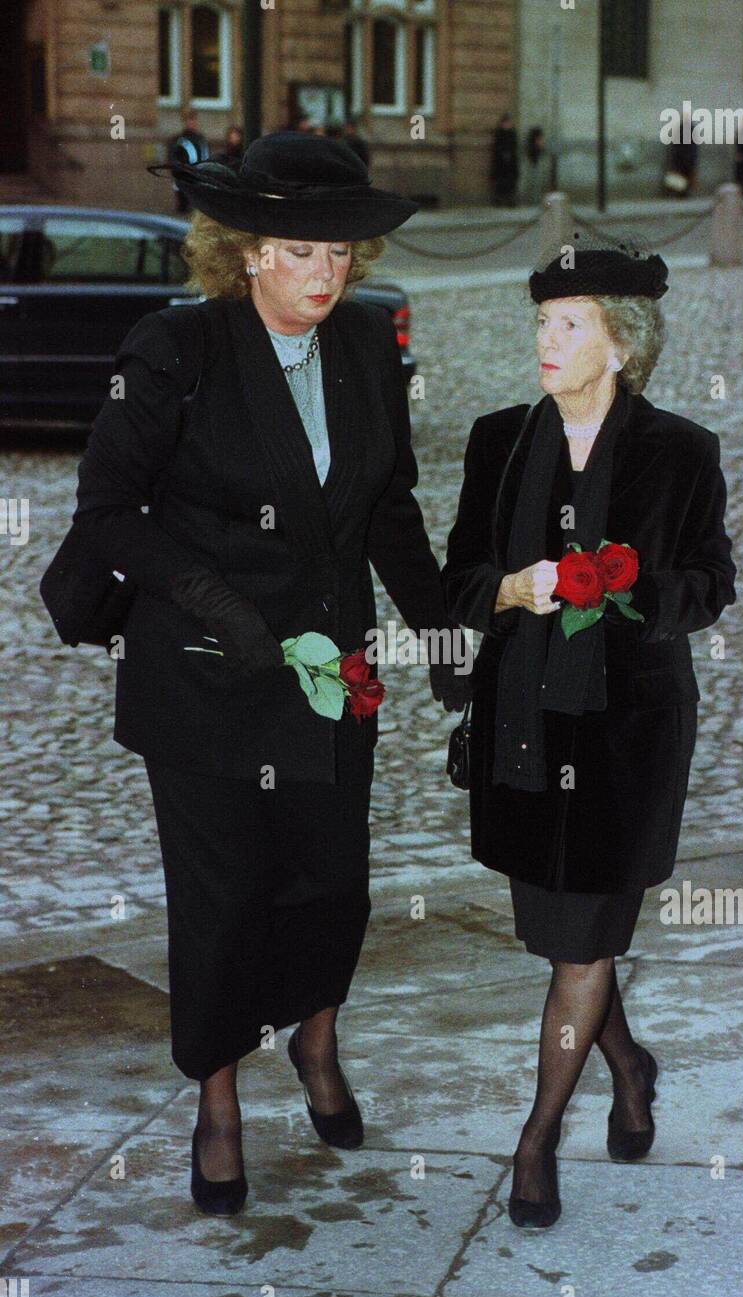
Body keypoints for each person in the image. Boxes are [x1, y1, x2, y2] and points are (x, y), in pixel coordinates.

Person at [70, 132, 466, 1216]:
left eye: (340, 252)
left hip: (331, 680)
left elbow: (388, 509)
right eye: (298, 251)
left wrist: (442, 644)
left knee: (333, 884)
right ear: (244, 252)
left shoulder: (368, 350)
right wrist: (219, 604)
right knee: (223, 900)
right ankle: (219, 1100)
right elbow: (106, 514)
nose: (324, 275)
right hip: (201, 684)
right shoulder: (174, 349)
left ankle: (317, 1039)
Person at [441, 237, 736, 1229]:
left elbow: (709, 583)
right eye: (539, 322)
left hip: (625, 744)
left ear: (620, 344)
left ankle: (534, 1140)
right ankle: (628, 1062)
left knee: (583, 946)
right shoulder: (499, 441)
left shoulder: (678, 451)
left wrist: (635, 588)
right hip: (524, 730)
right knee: (562, 936)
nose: (546, 340)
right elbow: (457, 584)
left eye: (568, 324)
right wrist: (517, 588)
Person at [167, 112, 211, 212]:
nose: (192, 123)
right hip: (184, 175)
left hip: (200, 176)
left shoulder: (201, 139)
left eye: (194, 121)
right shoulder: (179, 140)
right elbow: (173, 157)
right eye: (190, 121)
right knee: (183, 204)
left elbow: (205, 156)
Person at [491, 113, 519, 207]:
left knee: (511, 183)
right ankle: (499, 201)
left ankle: (510, 201)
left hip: (511, 163)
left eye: (508, 123)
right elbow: (496, 147)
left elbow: (514, 146)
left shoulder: (512, 133)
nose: (507, 125)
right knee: (500, 182)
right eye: (505, 123)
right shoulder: (499, 134)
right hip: (501, 163)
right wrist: (502, 154)